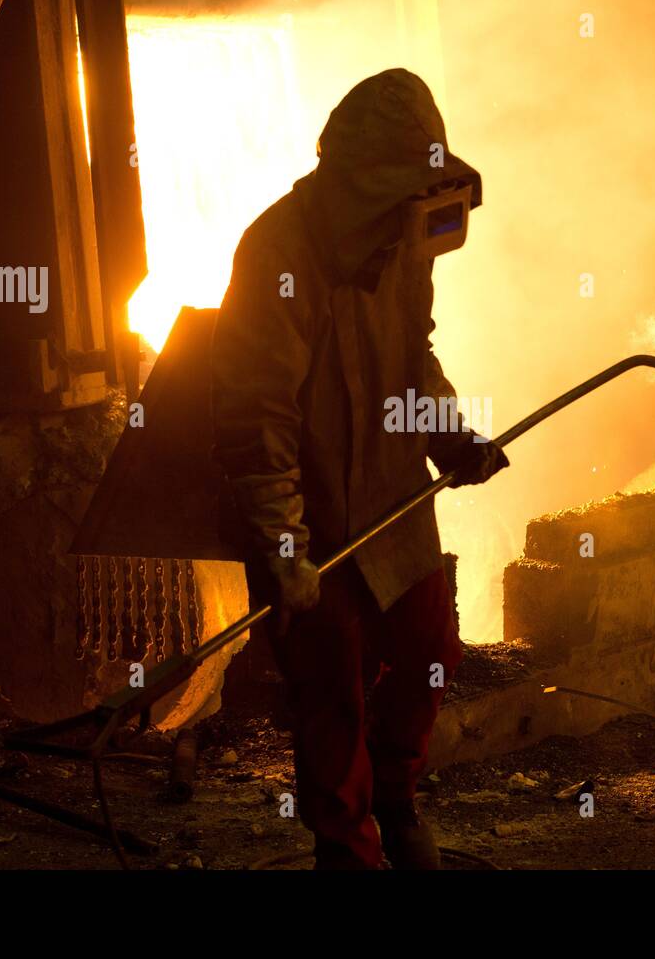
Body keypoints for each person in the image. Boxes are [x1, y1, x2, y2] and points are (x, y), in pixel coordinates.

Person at [210, 69, 507, 869]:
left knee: (431, 652)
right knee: (331, 696)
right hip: (313, 522)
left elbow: (413, 355)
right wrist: (282, 542)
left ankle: (396, 800)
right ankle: (347, 850)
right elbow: (257, 410)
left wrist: (451, 437)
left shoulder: (406, 234)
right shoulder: (276, 252)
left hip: (393, 501)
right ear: (365, 185)